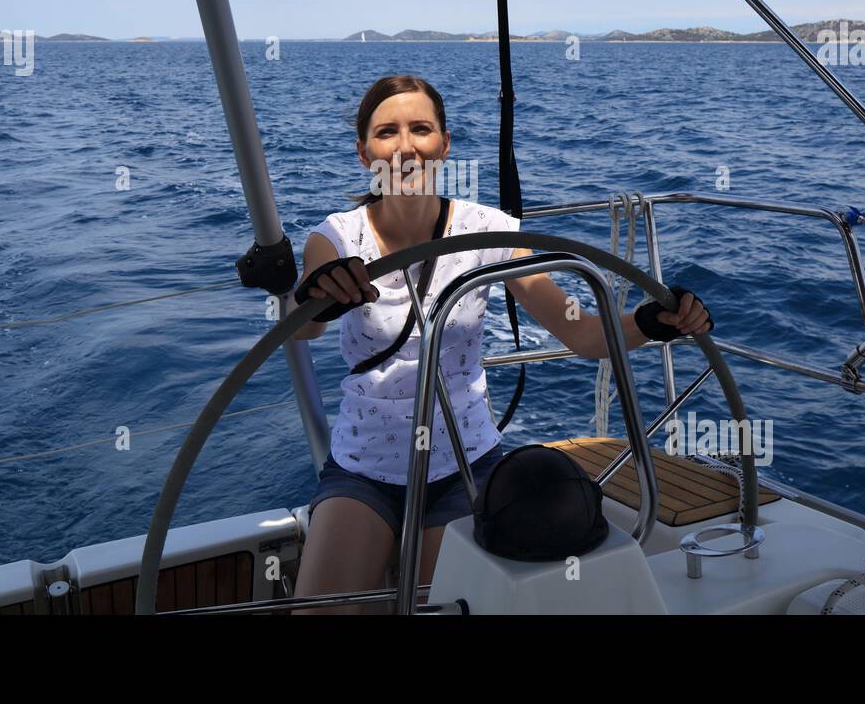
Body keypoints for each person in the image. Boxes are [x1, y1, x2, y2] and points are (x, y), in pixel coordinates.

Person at [289, 75, 711, 613]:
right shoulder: (336, 238)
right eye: (386, 132)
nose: (404, 146)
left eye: (420, 129)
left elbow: (581, 333)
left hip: (463, 462)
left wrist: (654, 321)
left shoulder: (489, 231)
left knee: (450, 607)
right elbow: (304, 325)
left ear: (444, 143)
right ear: (363, 152)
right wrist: (322, 291)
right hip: (362, 468)